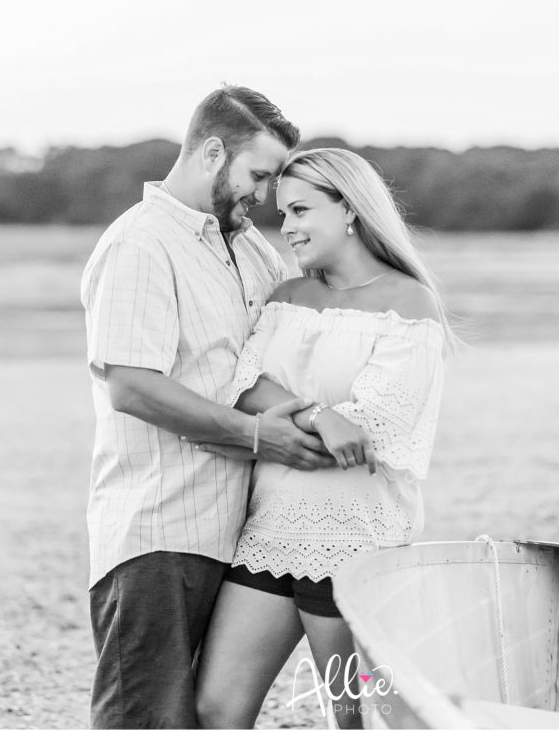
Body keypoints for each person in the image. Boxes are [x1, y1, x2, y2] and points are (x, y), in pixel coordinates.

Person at [80, 86, 336, 730]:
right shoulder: (141, 244)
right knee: (146, 719)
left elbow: (268, 359)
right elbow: (132, 386)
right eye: (259, 175)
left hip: (236, 532)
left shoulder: (249, 247)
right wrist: (258, 436)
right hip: (161, 532)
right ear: (213, 152)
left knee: (209, 717)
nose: (264, 194)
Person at [195, 147, 457, 730]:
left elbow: (369, 433)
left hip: (354, 542)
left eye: (300, 210)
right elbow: (239, 385)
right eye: (282, 214)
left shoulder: (409, 304)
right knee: (216, 709)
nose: (287, 227)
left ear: (350, 209)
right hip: (268, 533)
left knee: (356, 715)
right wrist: (318, 415)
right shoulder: (288, 297)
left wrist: (285, 423)